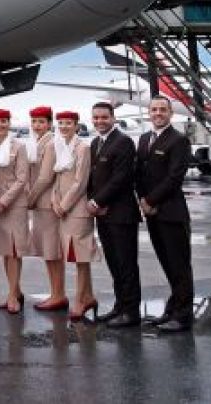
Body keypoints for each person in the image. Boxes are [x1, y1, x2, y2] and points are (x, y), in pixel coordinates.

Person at [136, 96, 194, 333]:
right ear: (149, 113)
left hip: (172, 212)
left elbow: (175, 177)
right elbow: (139, 174)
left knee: (180, 266)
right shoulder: (144, 139)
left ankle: (183, 316)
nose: (158, 113)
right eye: (154, 109)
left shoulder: (178, 140)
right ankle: (173, 309)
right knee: (167, 264)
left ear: (170, 113)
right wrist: (142, 199)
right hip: (152, 213)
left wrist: (150, 200)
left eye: (162, 110)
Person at [39, 110, 99, 322]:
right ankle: (88, 296)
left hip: (77, 209)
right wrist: (55, 200)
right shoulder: (59, 146)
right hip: (62, 208)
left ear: (76, 126)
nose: (64, 126)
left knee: (80, 256)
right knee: (72, 254)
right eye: (61, 123)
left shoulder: (82, 148)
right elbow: (56, 178)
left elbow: (80, 181)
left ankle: (80, 299)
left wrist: (63, 205)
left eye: (68, 123)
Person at [88, 102, 142, 328]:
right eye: (96, 118)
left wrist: (98, 201)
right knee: (114, 264)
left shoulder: (123, 142)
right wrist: (92, 201)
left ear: (113, 118)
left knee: (127, 264)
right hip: (104, 215)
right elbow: (92, 178)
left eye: (104, 117)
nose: (100, 121)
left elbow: (121, 178)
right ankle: (120, 306)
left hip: (121, 214)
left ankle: (131, 312)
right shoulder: (96, 143)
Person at [0, 109, 30, 314]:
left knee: (14, 250)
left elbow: (22, 178)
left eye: (4, 121)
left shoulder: (19, 146)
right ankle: (15, 290)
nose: (0, 125)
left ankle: (12, 294)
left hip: (14, 204)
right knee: (5, 250)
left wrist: (4, 200)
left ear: (9, 123)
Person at [25, 106, 67, 312]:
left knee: (53, 252)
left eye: (41, 121)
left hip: (46, 203)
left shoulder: (50, 143)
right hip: (40, 204)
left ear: (49, 124)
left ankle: (58, 295)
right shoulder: (37, 143)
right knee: (48, 252)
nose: (37, 125)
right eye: (34, 122)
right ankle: (55, 293)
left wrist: (29, 199)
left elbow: (44, 178)